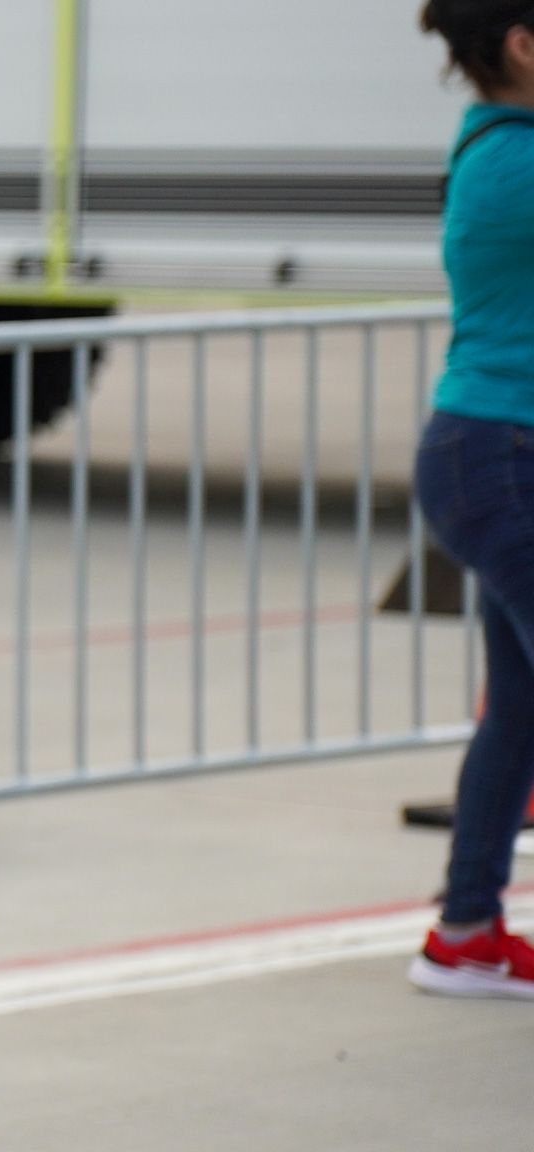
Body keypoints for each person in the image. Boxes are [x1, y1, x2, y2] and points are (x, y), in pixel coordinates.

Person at [408, 1, 534, 1000]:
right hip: (498, 460)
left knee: (517, 708)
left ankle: (463, 932)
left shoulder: (495, 146)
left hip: (488, 455)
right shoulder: (515, 164)